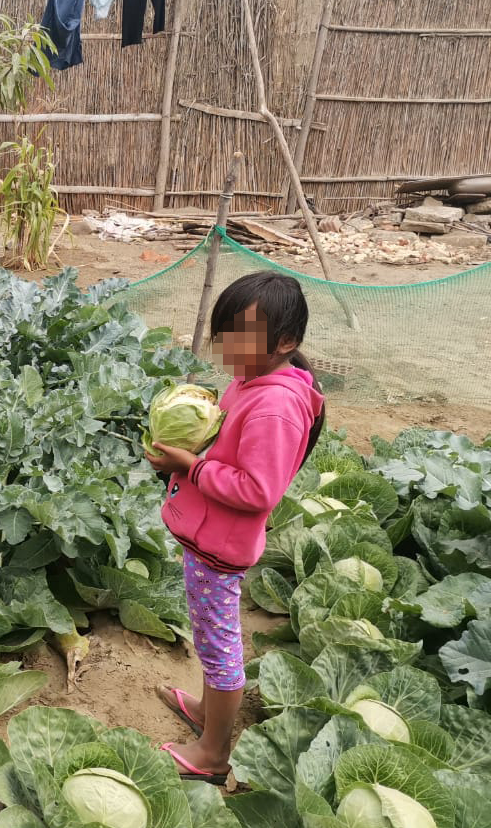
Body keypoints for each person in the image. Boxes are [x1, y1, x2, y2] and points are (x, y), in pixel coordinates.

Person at [146, 271, 325, 782]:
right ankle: (208, 713)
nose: (226, 344)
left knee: (220, 650)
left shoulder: (276, 406)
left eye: (239, 335)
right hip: (210, 537)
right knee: (209, 641)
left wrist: (192, 466)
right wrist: (185, 457)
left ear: (285, 342)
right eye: (224, 331)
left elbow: (258, 490)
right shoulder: (252, 381)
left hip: (221, 548)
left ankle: (213, 755)